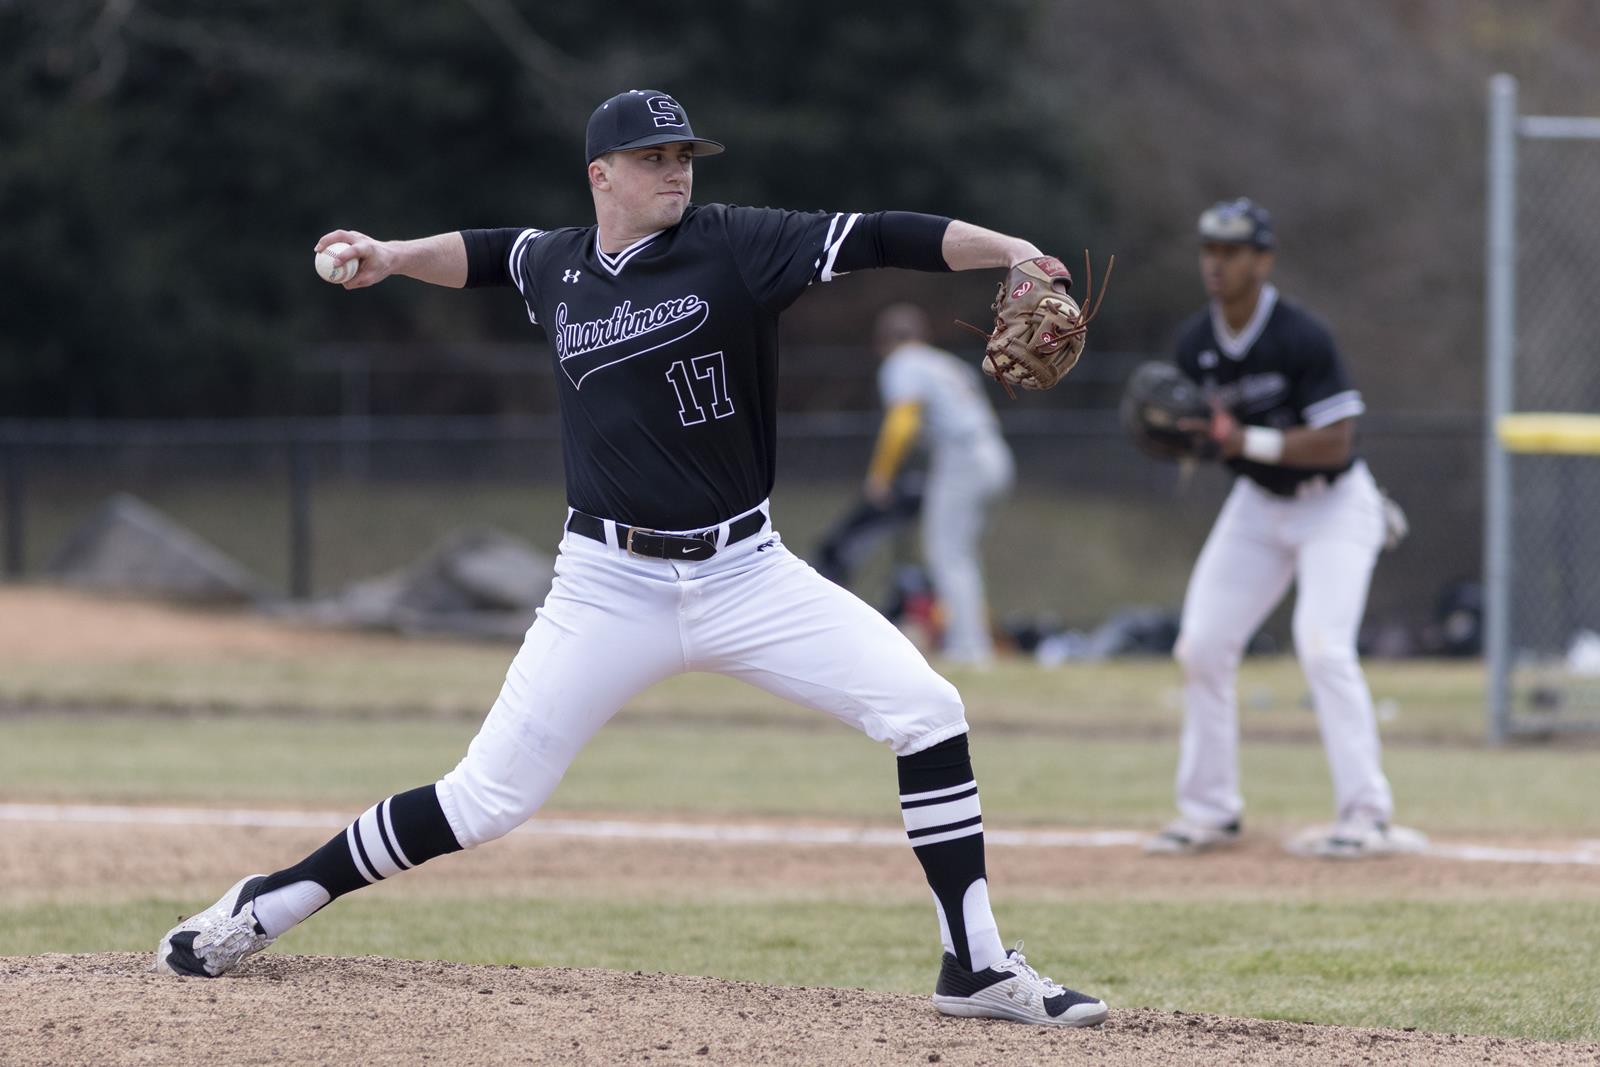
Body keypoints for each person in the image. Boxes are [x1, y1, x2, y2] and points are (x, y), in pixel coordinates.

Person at [153, 90, 1107, 1028]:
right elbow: (487, 254)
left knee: (927, 709)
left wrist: (1012, 250)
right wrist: (392, 257)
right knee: (486, 799)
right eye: (655, 158)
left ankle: (975, 963)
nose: (676, 172)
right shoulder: (558, 265)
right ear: (599, 175)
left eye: (685, 156)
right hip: (607, 584)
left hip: (749, 573)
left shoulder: (738, 243)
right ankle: (268, 901)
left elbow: (885, 235)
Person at [1143, 197, 1419, 860]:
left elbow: (1334, 441)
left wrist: (1243, 439)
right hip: (1259, 506)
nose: (1217, 262)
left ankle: (1367, 815)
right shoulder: (1196, 343)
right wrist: (1178, 440)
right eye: (1209, 248)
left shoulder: (1300, 334)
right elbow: (1199, 437)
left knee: (1323, 648)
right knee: (1202, 646)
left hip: (1336, 501)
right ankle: (1210, 810)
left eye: (1233, 250)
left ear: (1262, 261)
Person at [863, 304, 1015, 665]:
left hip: (961, 457)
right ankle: (973, 642)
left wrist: (881, 474)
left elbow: (903, 421)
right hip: (995, 453)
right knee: (961, 556)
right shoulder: (943, 362)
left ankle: (968, 648)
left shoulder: (904, 363)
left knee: (948, 555)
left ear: (885, 342)